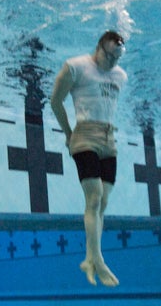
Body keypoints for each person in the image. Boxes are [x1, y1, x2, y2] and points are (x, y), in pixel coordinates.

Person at [50, 30, 128, 287]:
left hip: (109, 138)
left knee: (103, 202)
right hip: (84, 135)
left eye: (117, 58)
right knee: (93, 199)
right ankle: (99, 260)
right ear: (99, 48)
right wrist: (69, 133)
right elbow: (55, 101)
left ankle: (88, 258)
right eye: (109, 57)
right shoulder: (76, 66)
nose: (113, 63)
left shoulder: (120, 76)